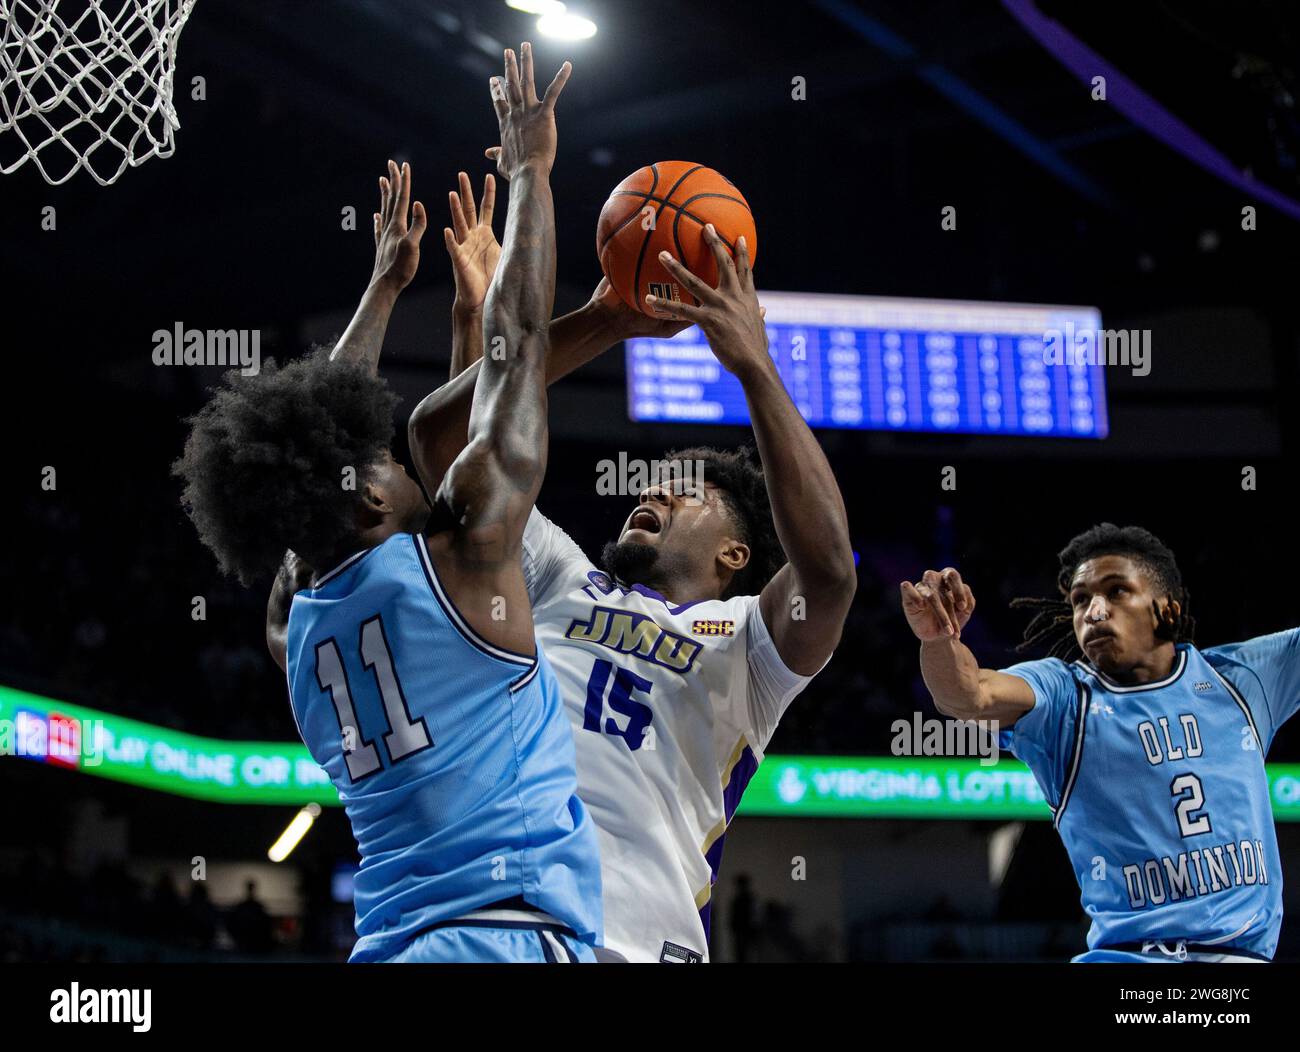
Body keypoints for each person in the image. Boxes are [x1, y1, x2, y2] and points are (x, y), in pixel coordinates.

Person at [177, 44, 601, 963]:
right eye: (391, 455)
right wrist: (533, 171)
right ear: (370, 494)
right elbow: (518, 345)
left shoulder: (295, 624)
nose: (413, 455)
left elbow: (310, 442)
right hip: (501, 940)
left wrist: (384, 287)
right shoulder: (463, 557)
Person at [407, 179, 857, 961]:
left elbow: (829, 574)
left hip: (637, 943)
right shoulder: (556, 575)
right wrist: (597, 321)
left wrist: (754, 366)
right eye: (655, 482)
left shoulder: (749, 646)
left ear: (736, 555)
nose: (654, 489)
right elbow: (454, 460)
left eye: (688, 491)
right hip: (492, 921)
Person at [902, 523, 1300, 962]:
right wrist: (938, 641)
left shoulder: (1242, 678)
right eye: (1079, 600)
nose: (1093, 612)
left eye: (1116, 593)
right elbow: (968, 695)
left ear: (1166, 611)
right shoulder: (1063, 696)